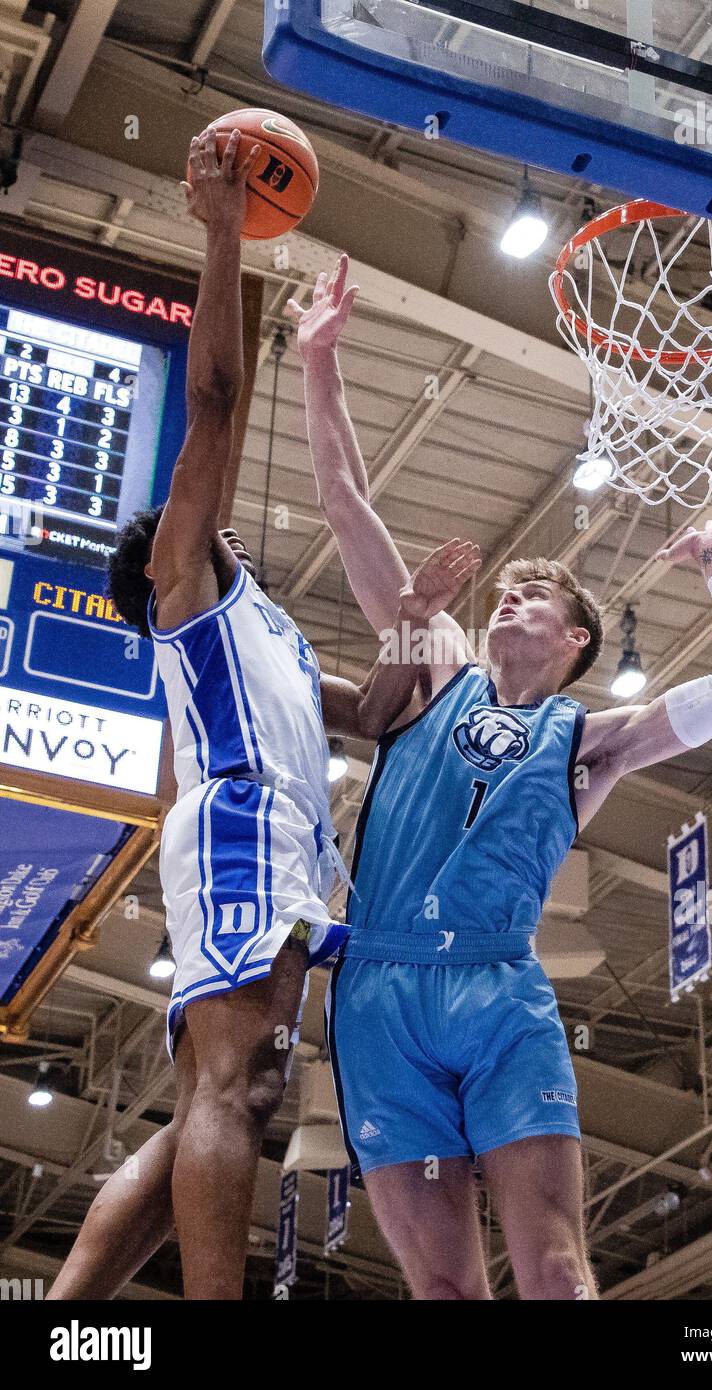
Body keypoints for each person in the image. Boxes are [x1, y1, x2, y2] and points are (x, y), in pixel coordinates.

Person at [290, 255, 712, 1301]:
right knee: (443, 1289)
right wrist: (317, 360)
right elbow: (342, 502)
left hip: (496, 990)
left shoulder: (591, 737)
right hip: (377, 990)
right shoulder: (431, 672)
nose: (504, 601)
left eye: (529, 598)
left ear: (572, 639)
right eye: (501, 594)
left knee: (555, 1270)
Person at [48, 132, 480, 1302]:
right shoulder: (186, 583)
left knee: (212, 1091)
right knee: (241, 1087)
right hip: (240, 825)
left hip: (269, 832)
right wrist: (224, 231)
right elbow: (217, 400)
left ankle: (70, 1318)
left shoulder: (268, 633)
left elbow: (380, 713)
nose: (217, 511)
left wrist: (418, 615)